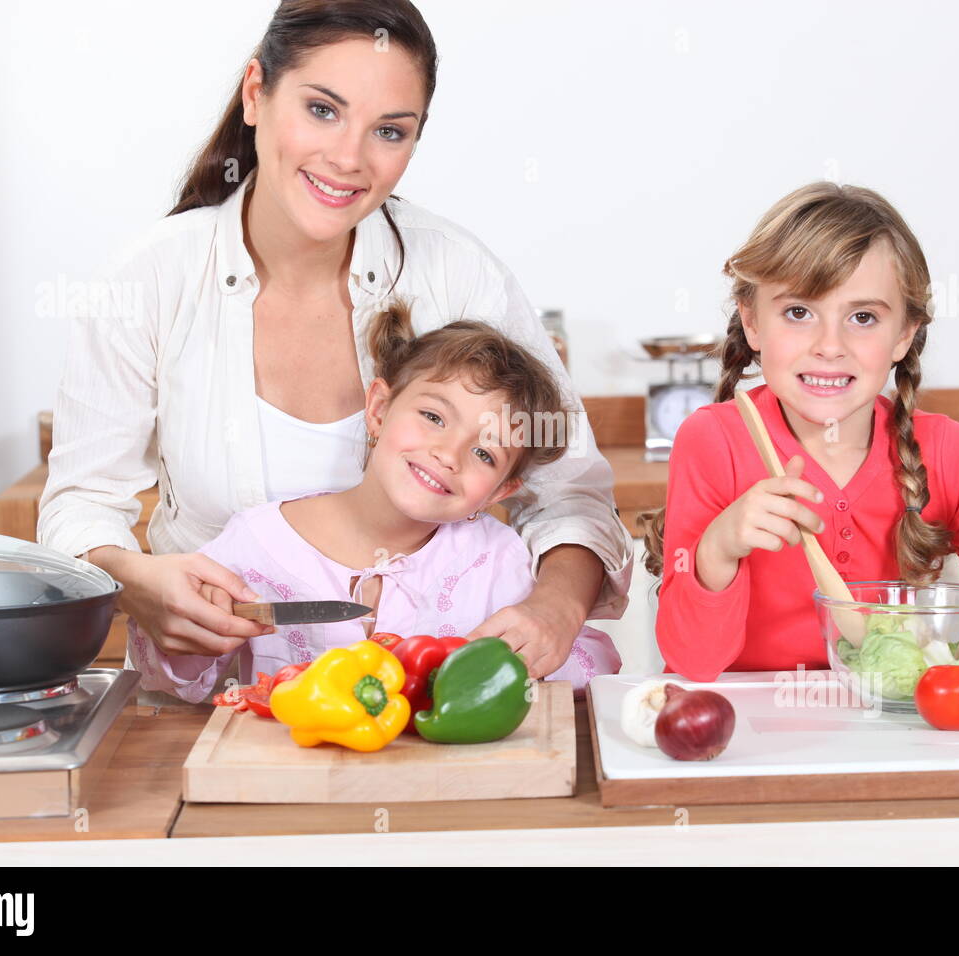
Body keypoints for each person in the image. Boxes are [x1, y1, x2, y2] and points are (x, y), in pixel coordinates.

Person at [37, 0, 632, 680]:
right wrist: (132, 581)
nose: (348, 158)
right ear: (256, 93)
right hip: (224, 716)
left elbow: (570, 495)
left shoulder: (458, 272)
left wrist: (555, 608)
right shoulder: (148, 279)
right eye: (322, 109)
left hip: (428, 720)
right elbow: (81, 507)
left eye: (389, 130)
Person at [641, 182, 959, 682]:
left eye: (862, 317)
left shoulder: (945, 450)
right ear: (751, 321)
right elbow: (693, 661)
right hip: (752, 736)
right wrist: (719, 548)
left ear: (904, 334)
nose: (829, 345)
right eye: (798, 312)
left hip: (895, 723)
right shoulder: (711, 441)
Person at [130, 304, 621, 700]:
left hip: (441, 791)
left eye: (483, 452)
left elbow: (592, 660)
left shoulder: (499, 562)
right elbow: (177, 678)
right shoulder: (254, 541)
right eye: (433, 416)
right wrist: (199, 633)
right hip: (289, 790)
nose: (447, 454)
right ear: (379, 410)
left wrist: (526, 661)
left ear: (497, 493)